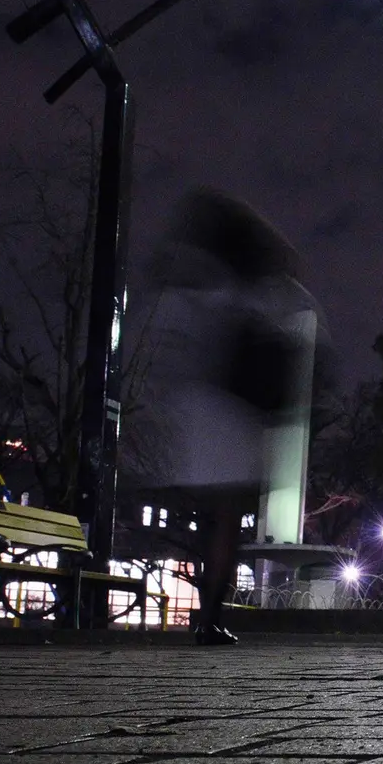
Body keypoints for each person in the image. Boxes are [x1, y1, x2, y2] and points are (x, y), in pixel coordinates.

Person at [135, 190, 316, 646]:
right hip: (238, 416)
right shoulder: (265, 295)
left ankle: (207, 611)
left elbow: (170, 337)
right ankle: (211, 614)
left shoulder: (204, 290)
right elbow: (298, 340)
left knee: (211, 520)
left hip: (202, 408)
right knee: (227, 520)